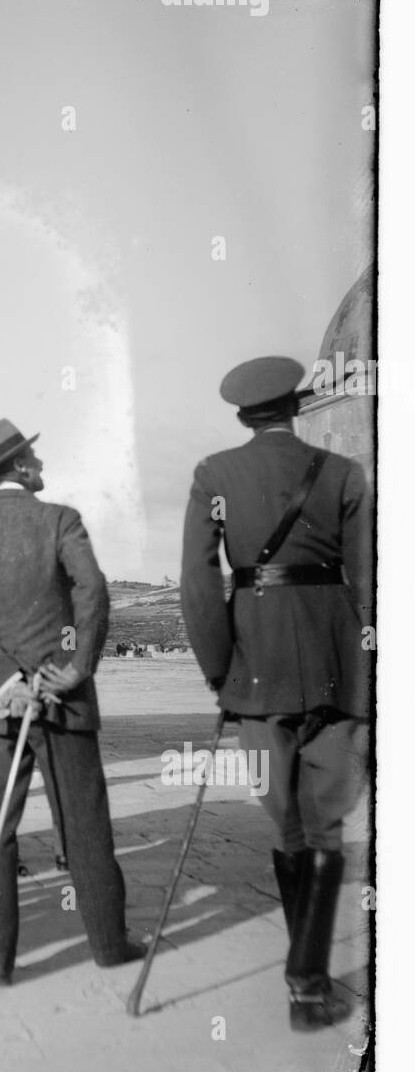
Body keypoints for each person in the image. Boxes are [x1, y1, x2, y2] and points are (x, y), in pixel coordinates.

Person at [181, 356, 372, 1031]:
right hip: (338, 659)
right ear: (296, 406)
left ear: (241, 416)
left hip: (256, 666)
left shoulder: (214, 474)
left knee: (288, 821)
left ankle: (306, 978)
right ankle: (308, 984)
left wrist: (218, 671)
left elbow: (200, 586)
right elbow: (371, 579)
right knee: (324, 826)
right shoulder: (345, 474)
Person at [0, 418, 145, 985]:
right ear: (20, 467)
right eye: (35, 456)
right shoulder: (61, 520)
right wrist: (73, 666)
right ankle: (108, 946)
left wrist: (10, 679)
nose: (42, 465)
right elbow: (92, 591)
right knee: (84, 824)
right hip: (65, 697)